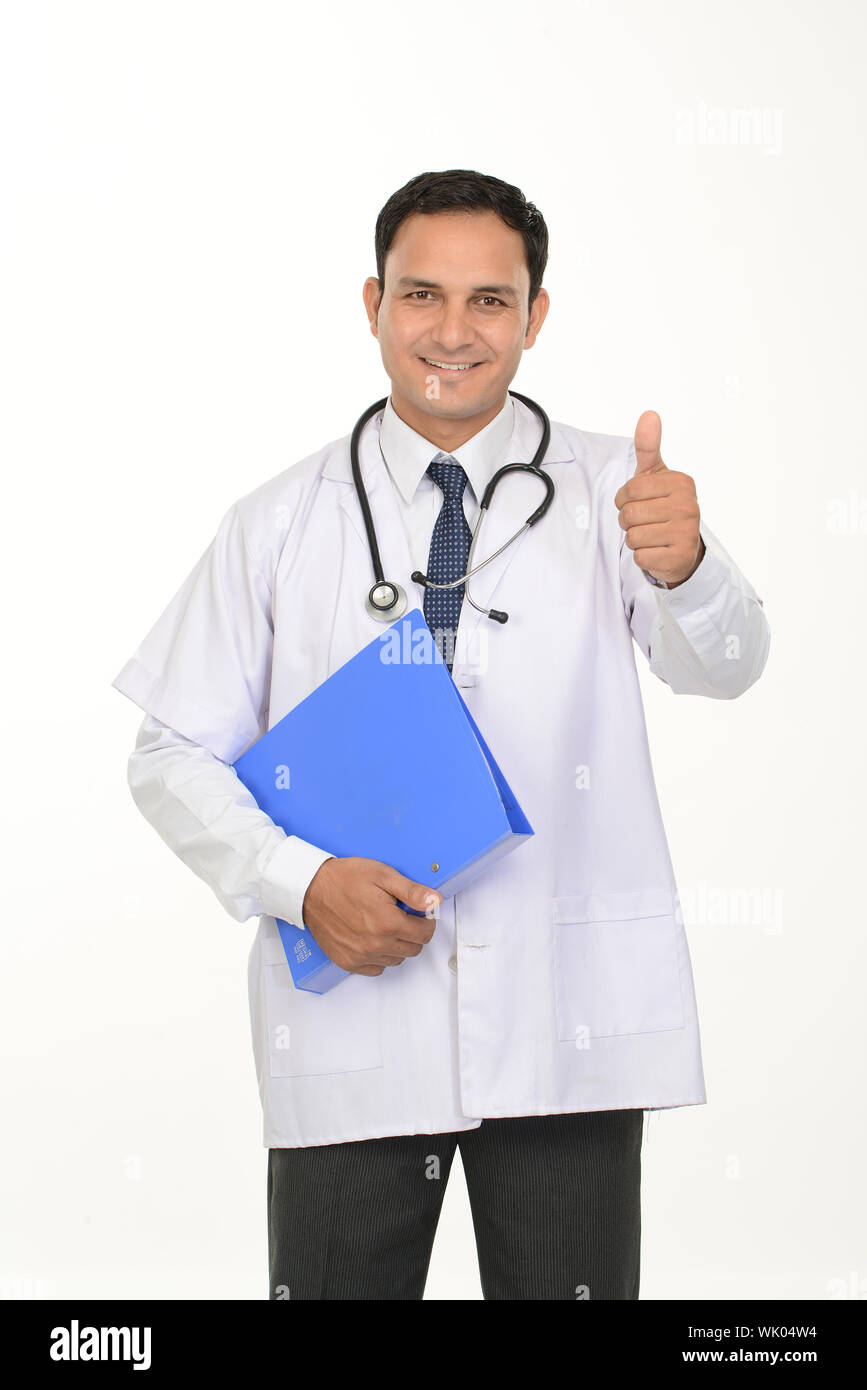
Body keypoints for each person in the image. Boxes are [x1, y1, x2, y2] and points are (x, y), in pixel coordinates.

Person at [111, 168, 770, 1301]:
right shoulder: (278, 521)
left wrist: (690, 567)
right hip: (353, 1026)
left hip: (567, 1025)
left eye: (490, 301)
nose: (453, 332)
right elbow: (169, 752)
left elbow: (726, 665)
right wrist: (301, 882)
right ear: (372, 304)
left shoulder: (621, 491)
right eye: (422, 295)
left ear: (536, 316)